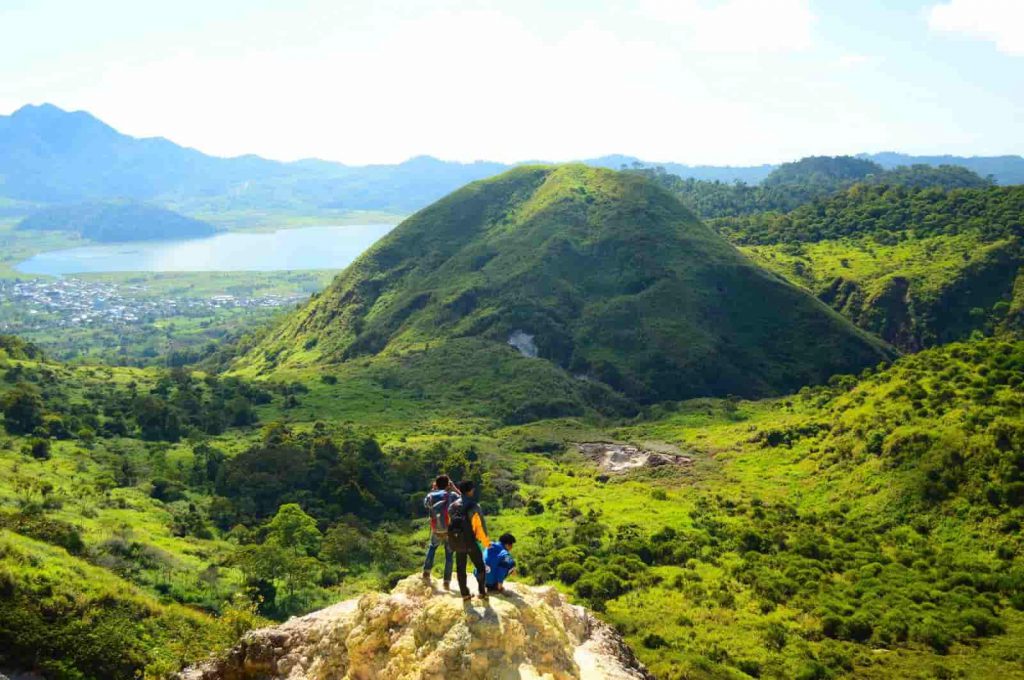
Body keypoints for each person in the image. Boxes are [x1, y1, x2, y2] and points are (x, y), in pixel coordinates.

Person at [446, 480, 490, 602]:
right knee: (480, 567)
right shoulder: (474, 507)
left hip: (457, 541)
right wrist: (486, 542)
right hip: (471, 542)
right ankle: (482, 592)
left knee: (461, 568)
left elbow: (451, 523)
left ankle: (465, 594)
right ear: (470, 490)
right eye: (472, 489)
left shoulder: (452, 506)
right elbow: (479, 527)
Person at [422, 474, 459, 589]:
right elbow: (465, 501)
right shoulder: (452, 495)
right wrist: (454, 488)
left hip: (436, 529)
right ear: (448, 484)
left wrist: (433, 491)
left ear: (436, 484)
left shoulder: (431, 495)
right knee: (449, 555)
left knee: (432, 548)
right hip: (450, 530)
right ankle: (446, 581)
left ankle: (426, 572)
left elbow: (426, 505)